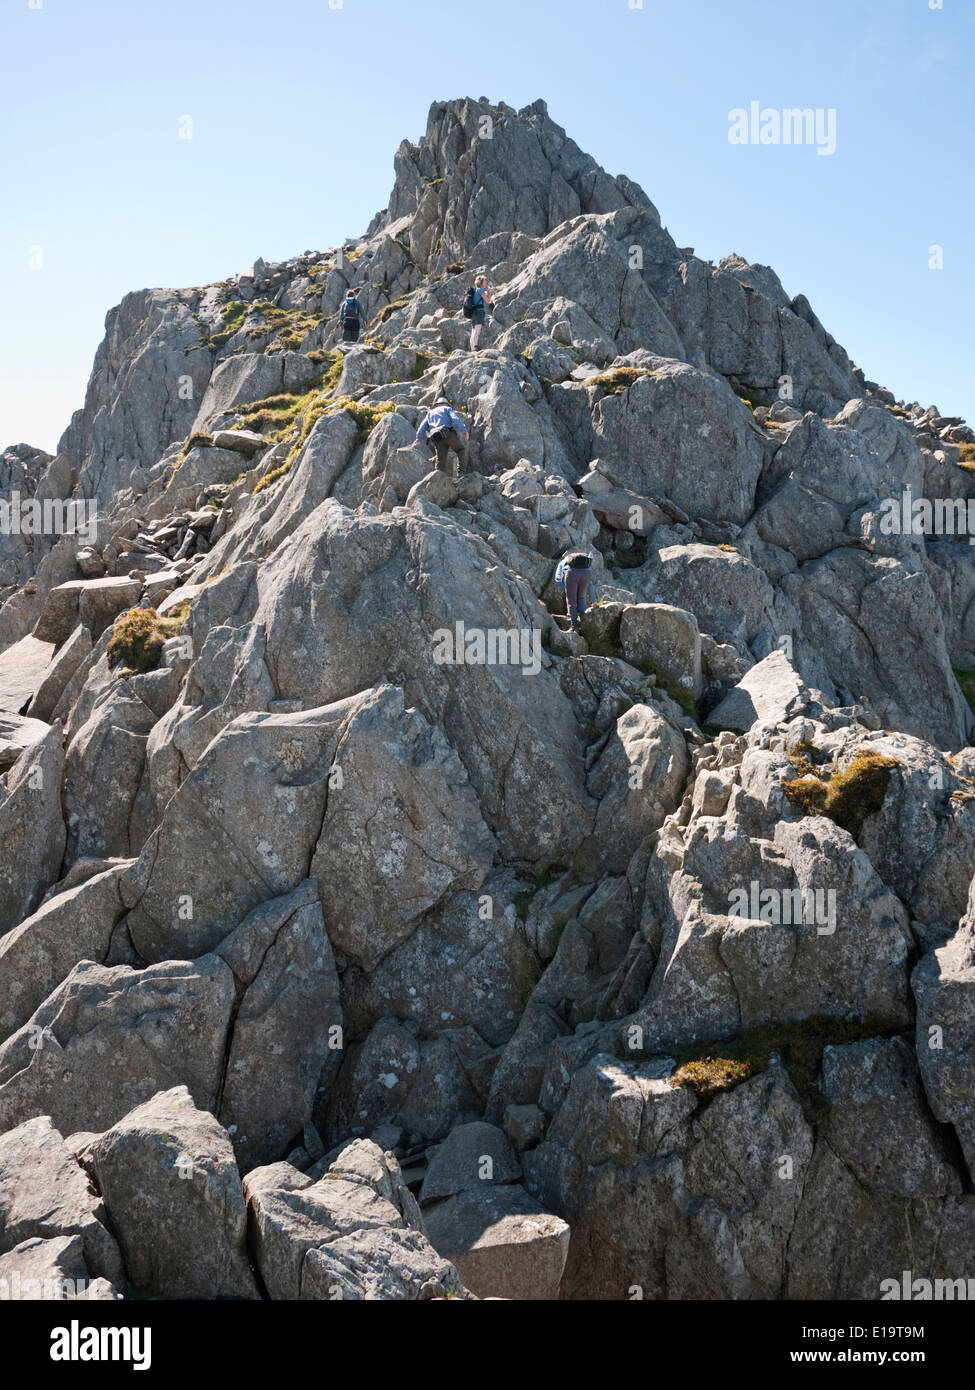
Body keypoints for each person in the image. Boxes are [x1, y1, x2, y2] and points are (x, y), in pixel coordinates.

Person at [415, 398, 470, 475]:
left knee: (440, 460)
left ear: (437, 405)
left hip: (435, 436)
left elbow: (422, 426)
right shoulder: (447, 409)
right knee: (460, 449)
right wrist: (464, 430)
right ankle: (461, 473)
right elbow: (455, 418)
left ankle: (439, 479)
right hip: (447, 433)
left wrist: (418, 438)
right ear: (446, 404)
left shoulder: (430, 413)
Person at [555, 550, 595, 628]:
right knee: (581, 596)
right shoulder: (587, 562)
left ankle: (574, 623)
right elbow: (591, 584)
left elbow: (558, 578)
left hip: (571, 574)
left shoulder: (564, 561)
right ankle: (583, 617)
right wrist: (594, 600)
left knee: (571, 599)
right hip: (586, 574)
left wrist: (566, 589)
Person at [469, 275, 492, 351]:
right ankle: (475, 347)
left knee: (473, 330)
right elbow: (488, 301)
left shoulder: (476, 290)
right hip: (479, 312)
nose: (486, 284)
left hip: (474, 312)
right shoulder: (480, 290)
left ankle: (472, 348)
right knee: (477, 331)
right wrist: (489, 293)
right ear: (481, 283)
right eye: (485, 282)